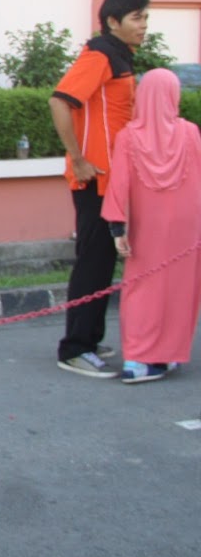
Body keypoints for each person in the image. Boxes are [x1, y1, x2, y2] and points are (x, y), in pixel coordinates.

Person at [49, 0, 149, 378]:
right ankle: (75, 349)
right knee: (93, 261)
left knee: (104, 261)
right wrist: (78, 159)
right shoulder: (100, 55)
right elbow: (59, 101)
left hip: (114, 178)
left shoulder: (119, 55)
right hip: (94, 179)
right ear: (112, 21)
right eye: (137, 18)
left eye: (145, 18)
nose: (143, 26)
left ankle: (89, 338)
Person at [101, 67, 201, 384]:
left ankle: (140, 358)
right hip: (187, 227)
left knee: (142, 289)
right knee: (179, 289)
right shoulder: (190, 132)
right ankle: (165, 353)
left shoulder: (129, 136)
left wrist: (118, 228)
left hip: (148, 229)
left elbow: (118, 185)